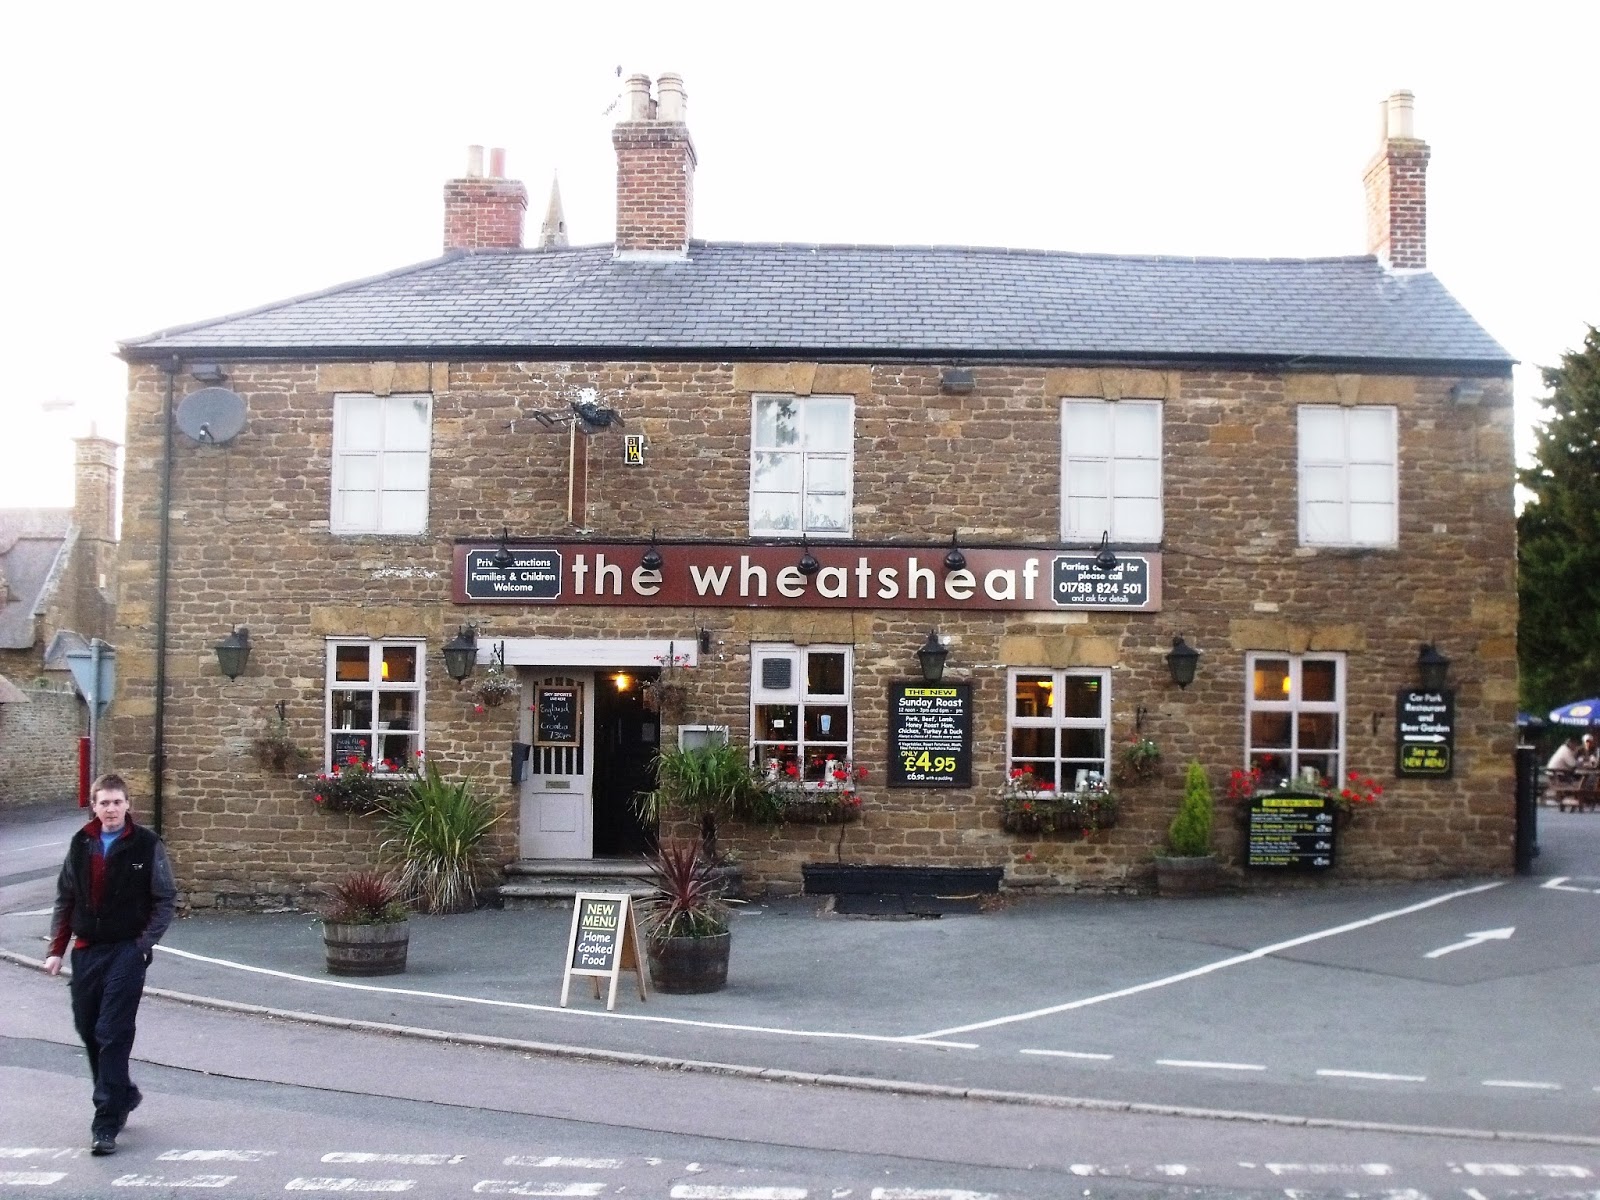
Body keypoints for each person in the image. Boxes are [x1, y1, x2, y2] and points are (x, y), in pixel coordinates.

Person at [43, 774, 176, 1156]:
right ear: (94, 807)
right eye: (104, 803)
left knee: (112, 1030)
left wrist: (142, 946)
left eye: (117, 802)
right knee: (88, 1028)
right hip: (87, 950)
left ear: (128, 804)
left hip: (126, 950)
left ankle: (105, 1122)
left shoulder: (146, 844)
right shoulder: (81, 843)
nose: (111, 809)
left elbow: (165, 898)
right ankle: (123, 1093)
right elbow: (66, 897)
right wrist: (56, 949)